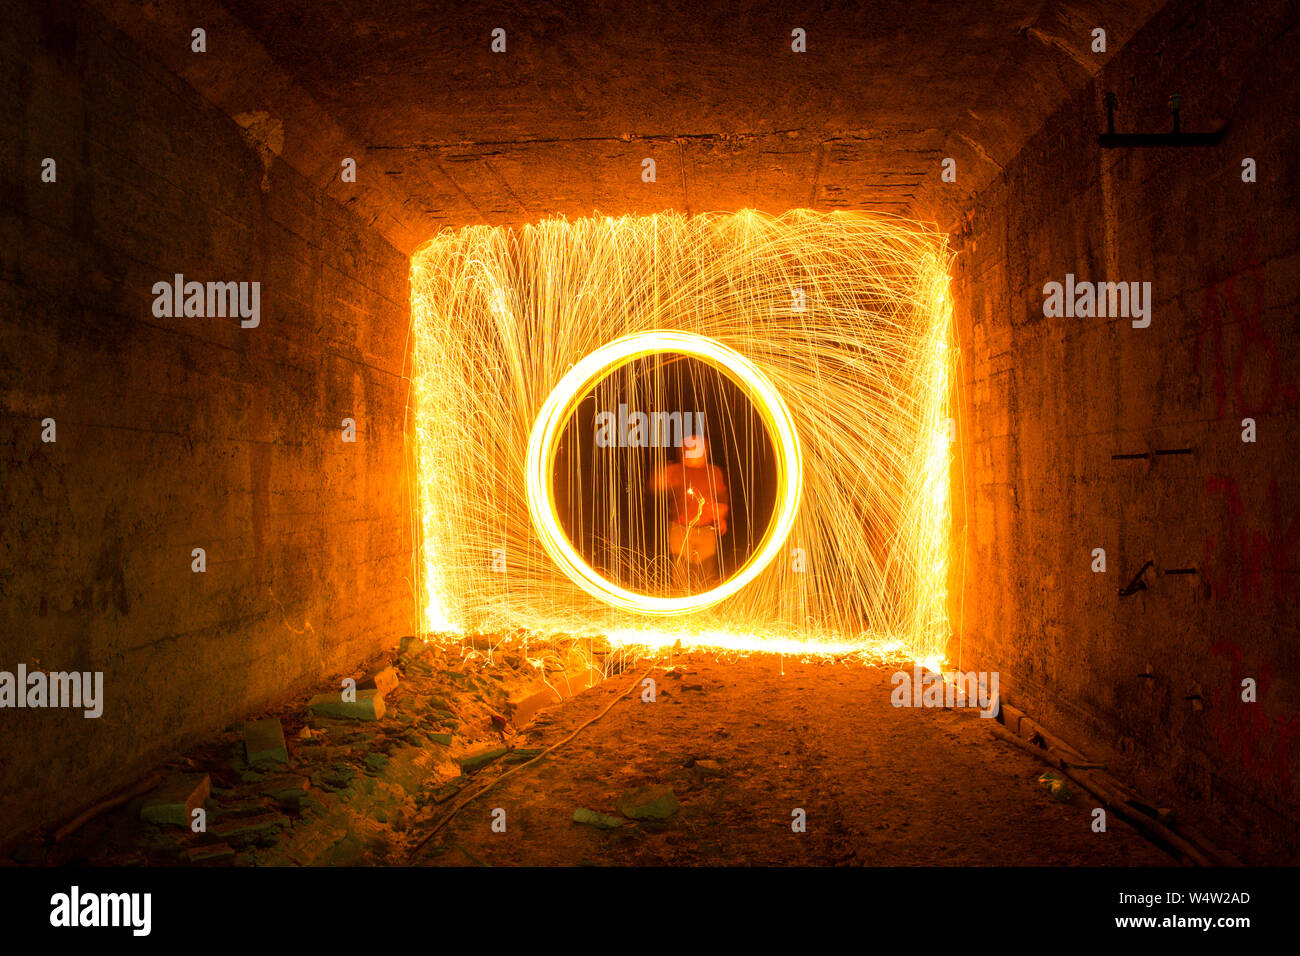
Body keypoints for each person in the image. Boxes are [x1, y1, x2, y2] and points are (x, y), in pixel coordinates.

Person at [650, 433, 730, 592]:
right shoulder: (676, 471)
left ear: (706, 451)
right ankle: (681, 609)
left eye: (700, 447)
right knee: (681, 576)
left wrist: (721, 517)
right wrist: (661, 473)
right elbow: (655, 484)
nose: (696, 451)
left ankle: (703, 611)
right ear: (683, 452)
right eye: (690, 447)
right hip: (681, 531)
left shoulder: (714, 472)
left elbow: (722, 500)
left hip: (706, 532)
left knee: (705, 577)